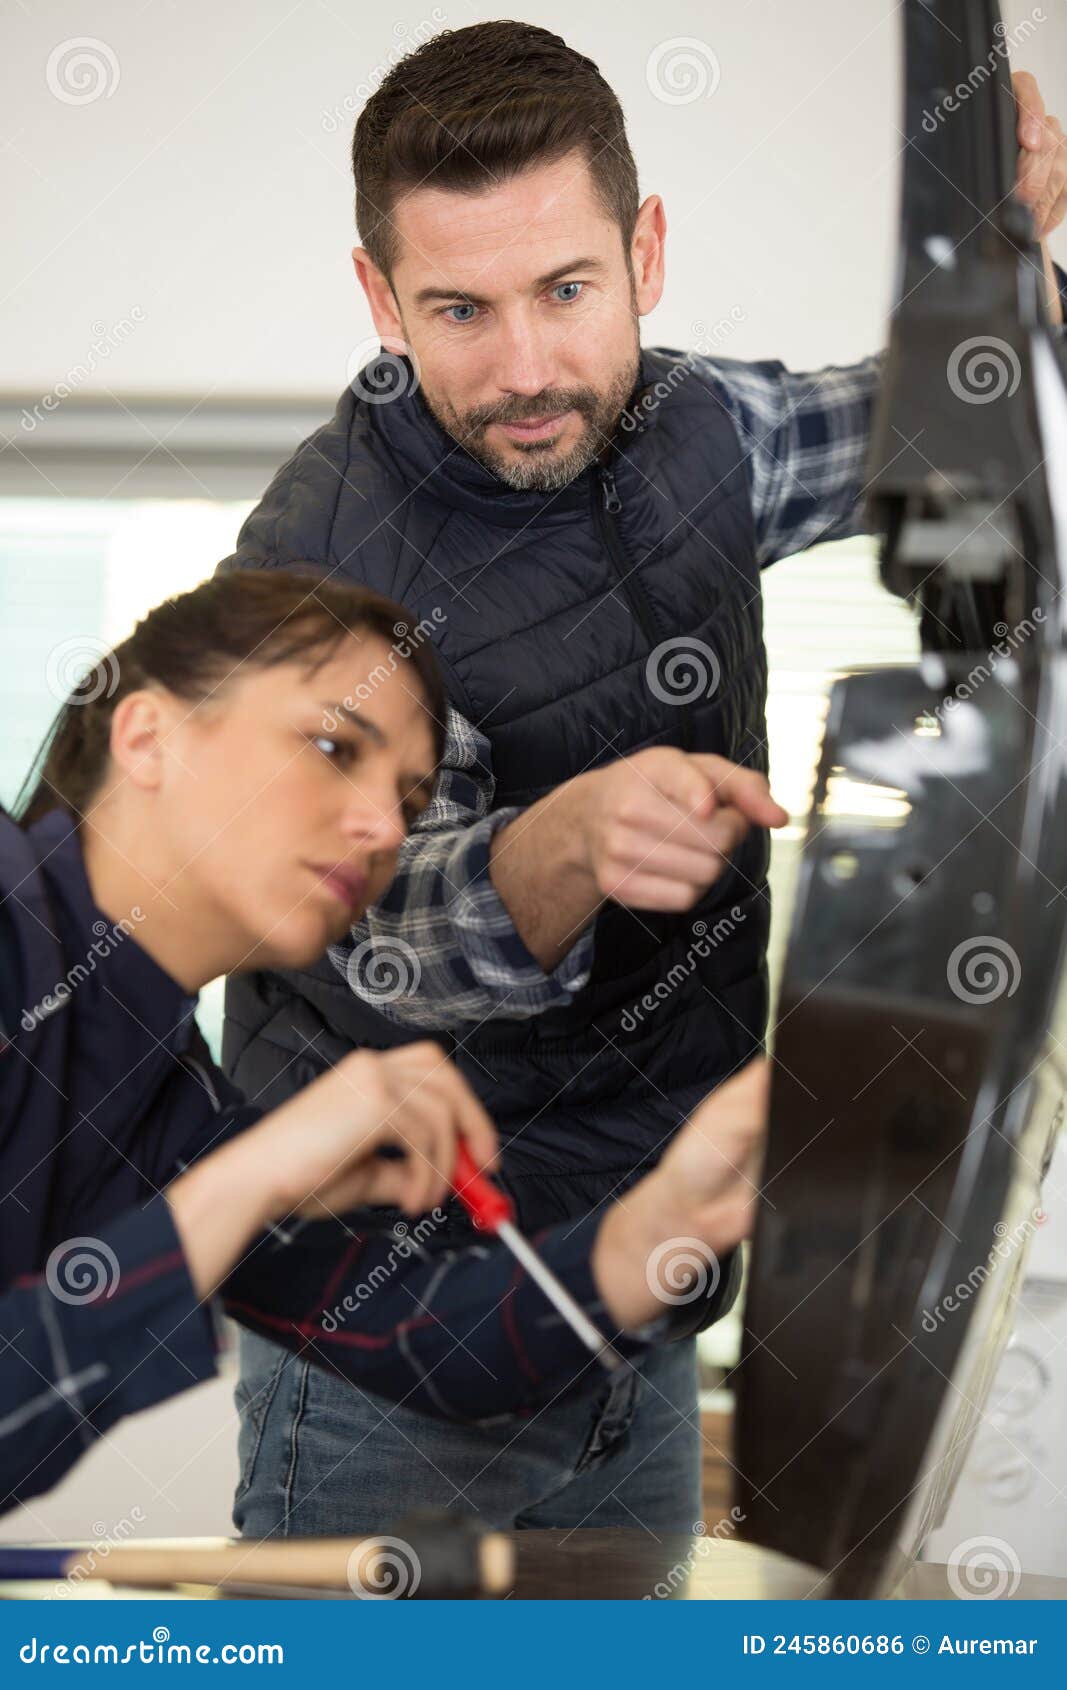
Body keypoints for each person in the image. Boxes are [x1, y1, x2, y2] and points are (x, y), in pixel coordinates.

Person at [214, 21, 1067, 1536]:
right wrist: (566, 842)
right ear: (377, 297)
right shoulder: (314, 562)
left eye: (565, 290)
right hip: (393, 1355)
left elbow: (936, 427)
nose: (526, 368)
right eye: (459, 310)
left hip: (646, 1306)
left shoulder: (694, 428)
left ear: (644, 251)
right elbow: (376, 923)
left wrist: (1005, 272)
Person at [0, 567, 769, 1518]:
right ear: (148, 737)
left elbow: (418, 1340)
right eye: (331, 745)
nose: (380, 830)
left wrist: (669, 1223)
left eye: (409, 802)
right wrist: (253, 1180)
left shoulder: (166, 1103)